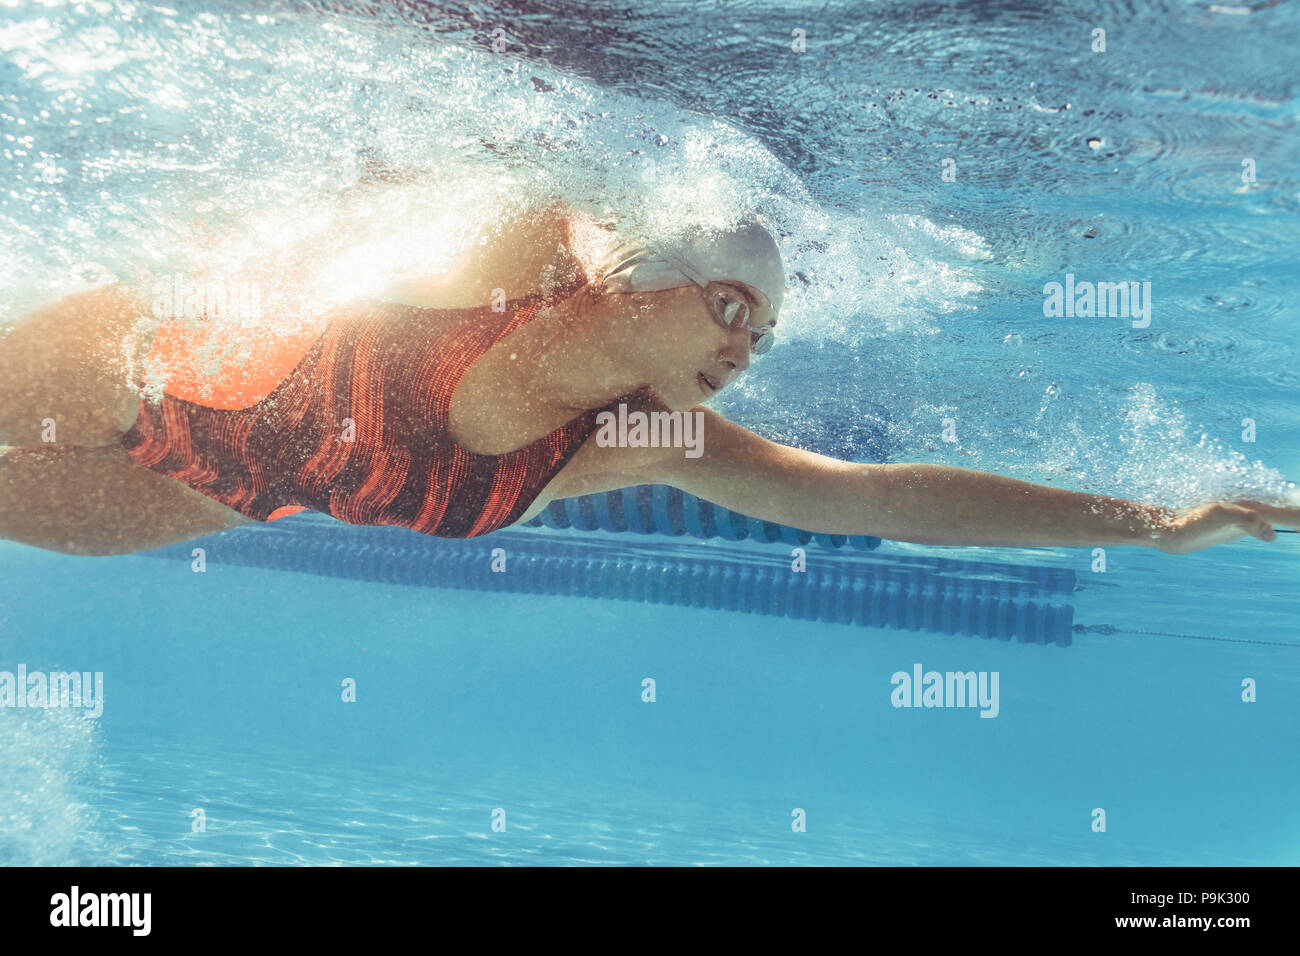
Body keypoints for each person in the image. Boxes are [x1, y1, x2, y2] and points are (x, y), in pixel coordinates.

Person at [0, 202, 1295, 555]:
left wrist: (1156, 523)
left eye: (765, 332)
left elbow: (868, 498)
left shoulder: (648, 438)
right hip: (159, 377)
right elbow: (548, 200)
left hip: (223, 494)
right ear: (640, 282)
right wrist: (596, 233)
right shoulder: (498, 270)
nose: (746, 347)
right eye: (734, 307)